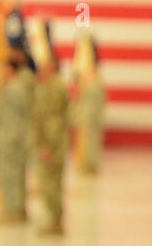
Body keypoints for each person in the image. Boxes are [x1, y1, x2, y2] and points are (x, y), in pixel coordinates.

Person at [32, 56, 70, 236]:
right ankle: (54, 218)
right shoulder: (47, 86)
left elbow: (54, 120)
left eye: (45, 66)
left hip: (52, 144)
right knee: (48, 183)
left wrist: (48, 146)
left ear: (53, 68)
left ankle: (56, 220)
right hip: (48, 142)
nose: (41, 70)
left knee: (51, 183)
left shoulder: (55, 88)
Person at [0, 54, 31, 224]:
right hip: (14, 138)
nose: (0, 72)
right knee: (15, 176)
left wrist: (12, 141)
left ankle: (14, 211)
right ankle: (17, 209)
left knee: (12, 177)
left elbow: (17, 118)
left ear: (11, 69)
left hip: (13, 139)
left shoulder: (14, 89)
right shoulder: (13, 87)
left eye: (3, 68)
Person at [73, 42, 106, 175]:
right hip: (85, 117)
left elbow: (96, 103)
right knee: (86, 143)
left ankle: (91, 166)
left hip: (92, 119)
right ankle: (86, 165)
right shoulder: (88, 84)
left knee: (92, 144)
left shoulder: (95, 84)